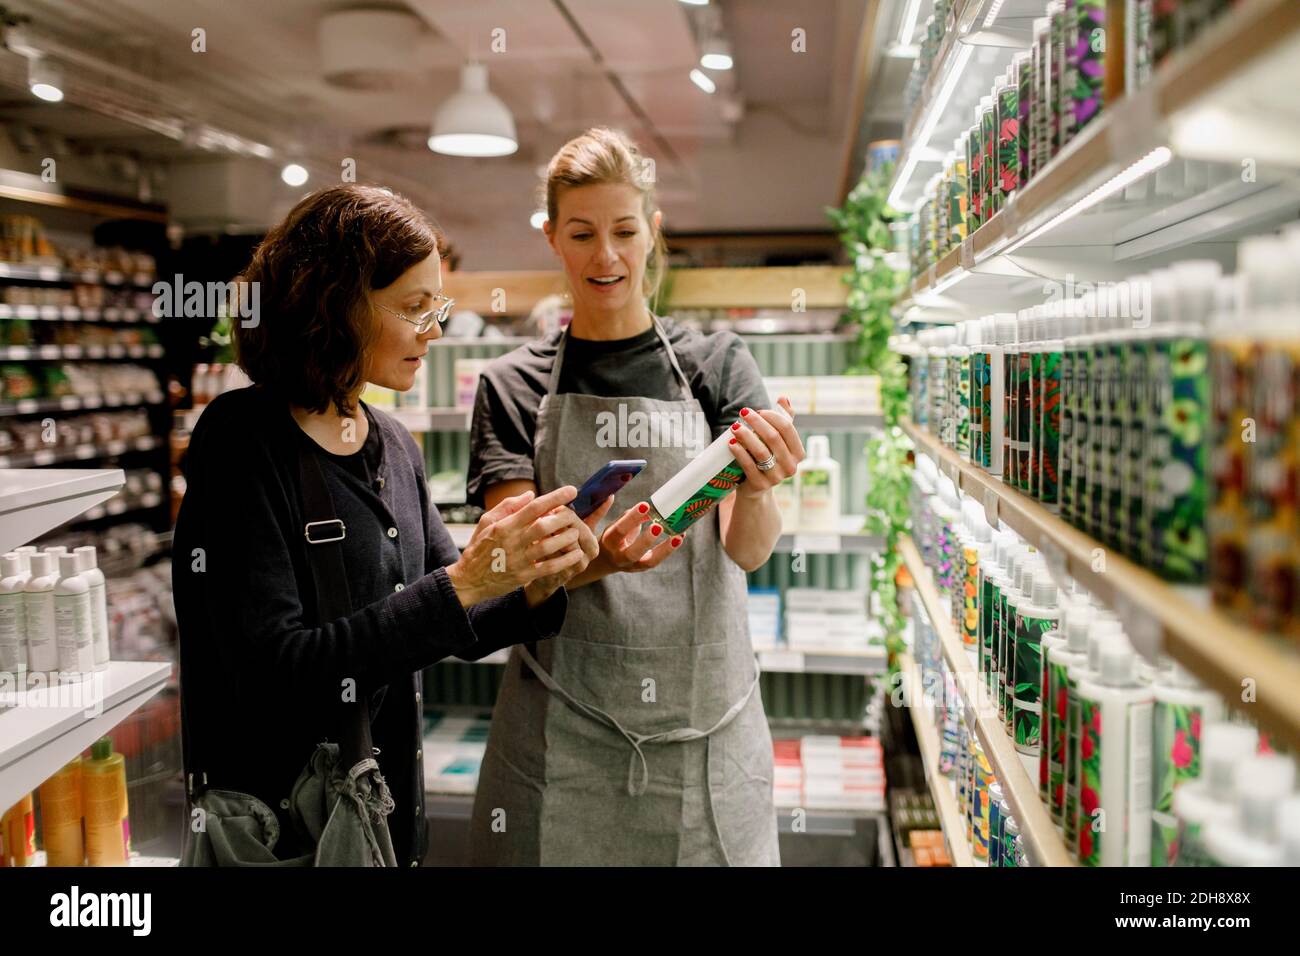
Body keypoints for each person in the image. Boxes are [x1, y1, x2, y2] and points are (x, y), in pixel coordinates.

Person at [174, 184, 601, 866]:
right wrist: (466, 579)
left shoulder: (393, 443)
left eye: (438, 305)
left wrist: (541, 573)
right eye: (414, 307)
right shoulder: (242, 441)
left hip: (385, 821)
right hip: (285, 835)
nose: (435, 329)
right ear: (334, 304)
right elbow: (275, 670)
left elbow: (458, 623)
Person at [467, 129, 805, 865]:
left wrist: (762, 484)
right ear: (552, 238)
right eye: (582, 234)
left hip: (704, 732)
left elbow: (746, 550)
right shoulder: (512, 385)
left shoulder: (718, 365)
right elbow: (509, 578)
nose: (606, 256)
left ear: (652, 232)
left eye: (624, 231)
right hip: (558, 732)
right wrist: (601, 563)